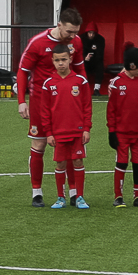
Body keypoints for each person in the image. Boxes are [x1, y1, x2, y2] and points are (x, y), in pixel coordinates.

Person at [16, 9, 85, 205]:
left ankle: (73, 193)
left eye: (76, 32)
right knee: (39, 145)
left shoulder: (76, 43)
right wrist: (22, 101)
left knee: (71, 144)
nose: (73, 36)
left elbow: (80, 71)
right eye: (69, 32)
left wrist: (82, 97)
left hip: (67, 104)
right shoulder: (38, 43)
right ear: (60, 24)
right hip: (41, 102)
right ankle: (37, 192)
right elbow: (22, 71)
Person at [39, 46, 94, 210]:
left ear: (70, 59)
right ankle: (60, 197)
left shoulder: (80, 81)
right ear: (53, 61)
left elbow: (87, 107)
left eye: (64, 59)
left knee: (78, 161)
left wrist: (86, 128)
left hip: (77, 131)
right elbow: (45, 111)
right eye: (57, 60)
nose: (60, 63)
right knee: (60, 164)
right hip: (58, 132)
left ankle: (80, 197)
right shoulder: (48, 84)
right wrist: (48, 133)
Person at [106, 47, 138, 208]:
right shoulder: (116, 83)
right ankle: (118, 196)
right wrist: (111, 131)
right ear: (132, 66)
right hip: (121, 133)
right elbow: (111, 111)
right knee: (121, 162)